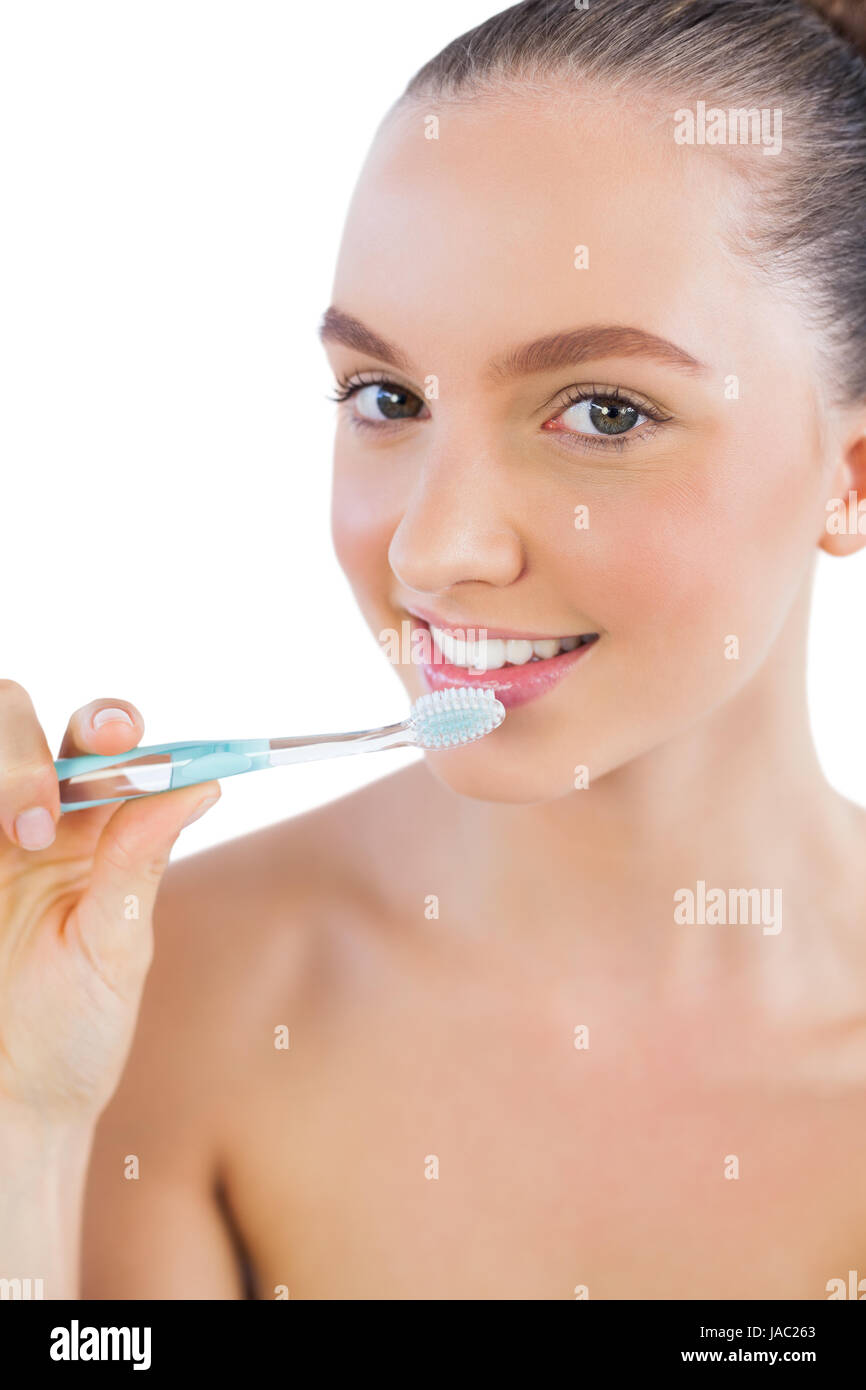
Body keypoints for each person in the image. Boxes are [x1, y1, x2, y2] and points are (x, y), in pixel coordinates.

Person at [2, 0, 866, 1300]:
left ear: (849, 470)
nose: (432, 546)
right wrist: (23, 1127)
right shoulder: (137, 1002)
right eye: (385, 398)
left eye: (603, 409)